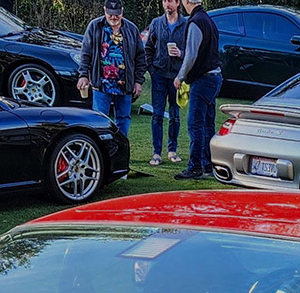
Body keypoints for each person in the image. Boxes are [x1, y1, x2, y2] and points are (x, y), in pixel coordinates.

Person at [77, 0, 146, 137]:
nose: (114, 18)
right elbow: (86, 53)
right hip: (101, 83)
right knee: (99, 120)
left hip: (125, 83)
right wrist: (83, 75)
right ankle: (101, 152)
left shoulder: (132, 29)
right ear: (104, 11)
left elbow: (140, 57)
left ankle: (120, 152)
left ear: (122, 12)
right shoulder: (95, 26)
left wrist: (138, 81)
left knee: (123, 120)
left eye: (117, 15)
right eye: (110, 15)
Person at [172, 0, 221, 180]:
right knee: (208, 123)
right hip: (215, 77)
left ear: (186, 2)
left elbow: (192, 55)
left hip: (204, 79)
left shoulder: (195, 22)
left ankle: (195, 166)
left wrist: (180, 76)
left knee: (195, 123)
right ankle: (208, 163)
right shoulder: (208, 19)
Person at [144, 0, 187, 165]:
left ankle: (172, 150)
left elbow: (191, 50)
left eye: (170, 1)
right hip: (159, 75)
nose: (167, 4)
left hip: (177, 77)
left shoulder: (186, 24)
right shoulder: (156, 23)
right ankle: (156, 153)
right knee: (157, 115)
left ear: (177, 3)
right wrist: (152, 71)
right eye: (164, 1)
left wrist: (181, 54)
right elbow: (148, 48)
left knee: (175, 116)